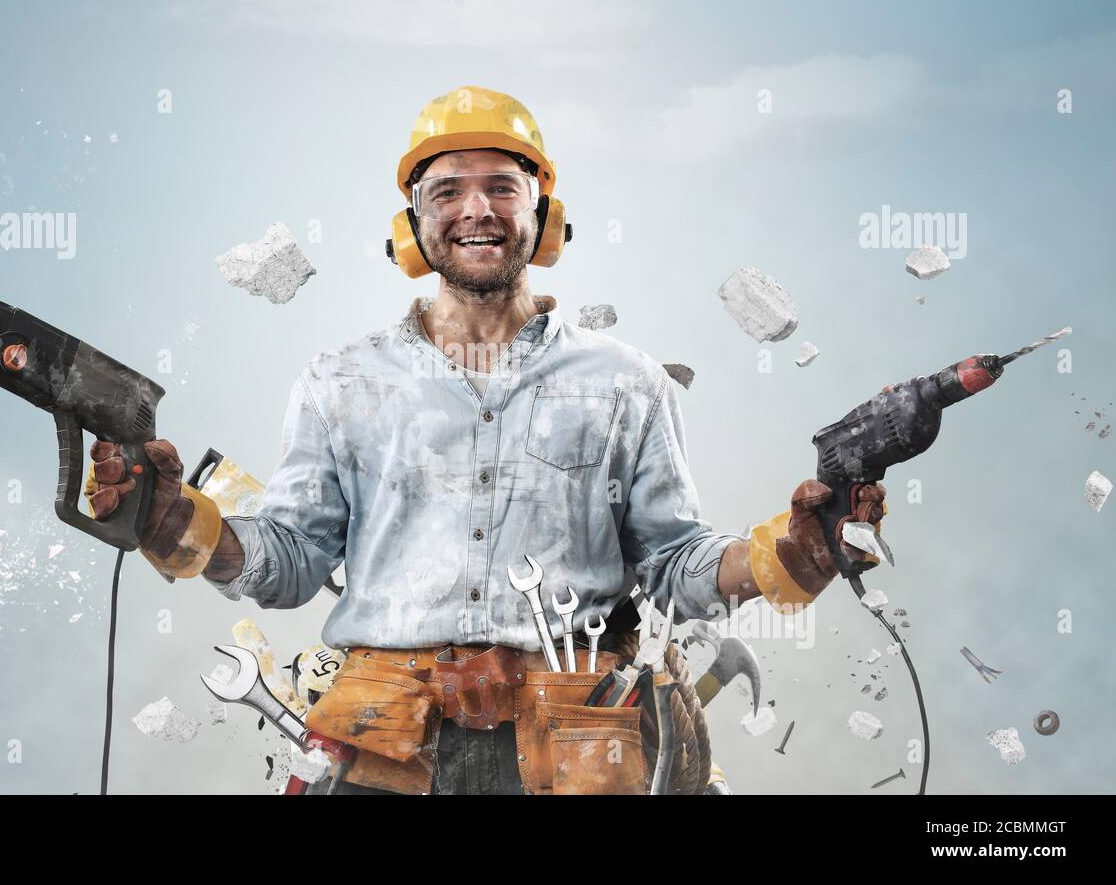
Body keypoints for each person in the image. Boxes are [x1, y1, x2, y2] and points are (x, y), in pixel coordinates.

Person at [85, 86, 887, 795]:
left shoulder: (627, 383)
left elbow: (674, 565)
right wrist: (182, 530)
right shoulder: (337, 383)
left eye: (502, 187)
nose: (476, 209)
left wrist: (792, 554)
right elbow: (293, 560)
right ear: (411, 225)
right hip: (386, 750)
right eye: (447, 191)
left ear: (543, 218)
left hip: (574, 746)